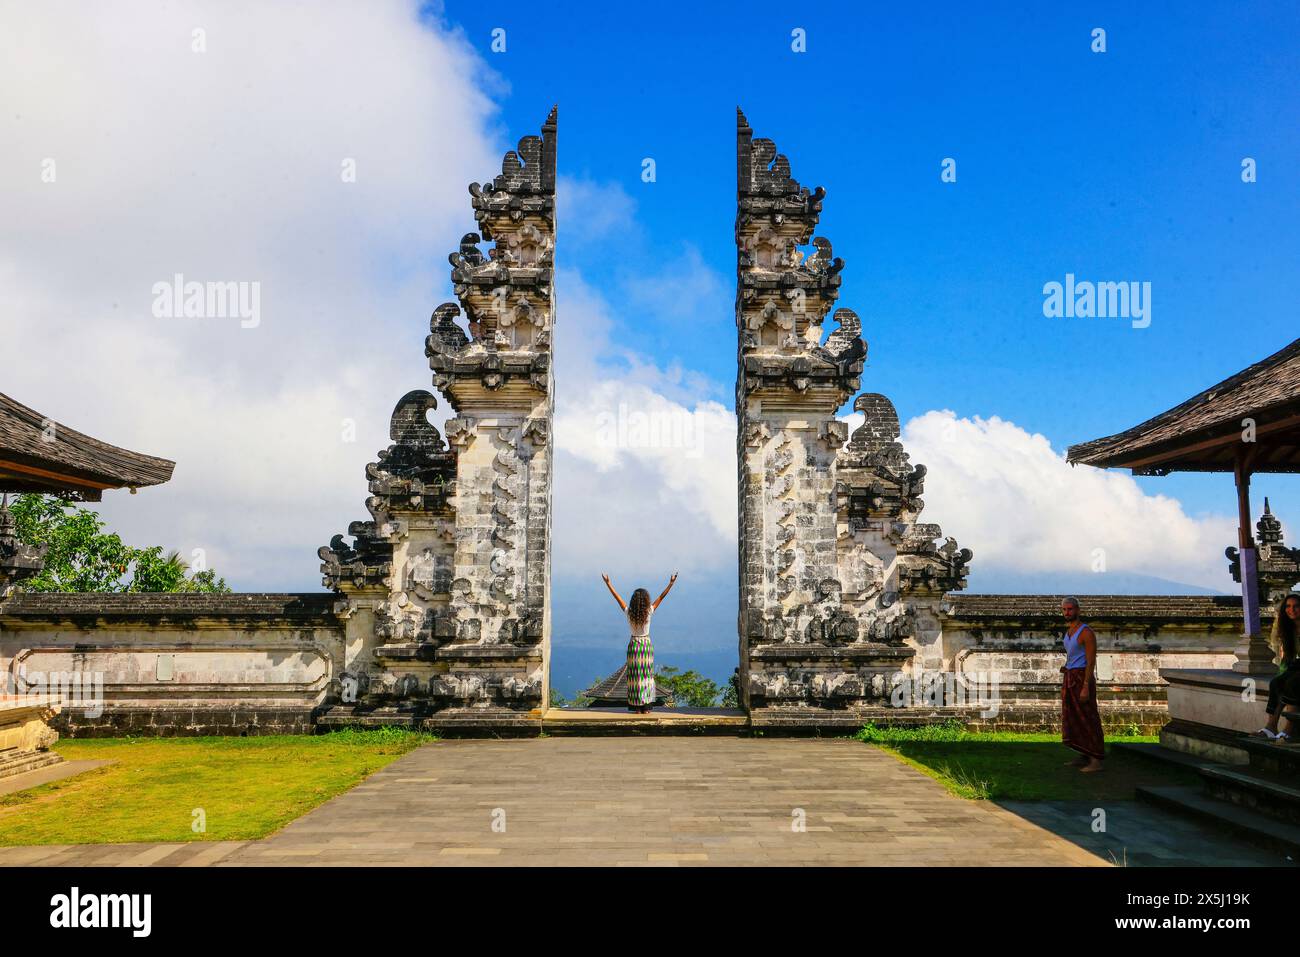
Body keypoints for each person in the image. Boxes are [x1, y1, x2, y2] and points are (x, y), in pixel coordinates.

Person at [602, 572, 677, 714]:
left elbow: (617, 597)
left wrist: (608, 583)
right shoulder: (649, 611)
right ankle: (646, 707)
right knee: (647, 676)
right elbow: (662, 596)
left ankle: (636, 707)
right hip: (646, 645)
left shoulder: (629, 613)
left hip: (634, 645)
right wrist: (671, 583)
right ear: (646, 600)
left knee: (635, 676)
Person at [1060, 597, 1104, 772]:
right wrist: (1066, 667)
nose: (1067, 613)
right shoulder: (1069, 632)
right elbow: (1073, 656)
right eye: (1064, 610)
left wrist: (1086, 685)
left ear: (1077, 610)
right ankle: (1082, 753)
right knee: (1073, 717)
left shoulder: (1086, 632)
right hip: (1070, 676)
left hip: (1082, 678)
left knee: (1087, 717)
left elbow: (1090, 661)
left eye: (1070, 609)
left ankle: (1095, 760)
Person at [1255, 592, 1300, 743]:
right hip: (1297, 665)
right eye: (1288, 606)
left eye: (1296, 606)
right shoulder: (1289, 629)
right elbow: (1283, 651)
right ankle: (1271, 727)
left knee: (1292, 683)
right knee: (1276, 683)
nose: (1291, 610)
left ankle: (1289, 729)